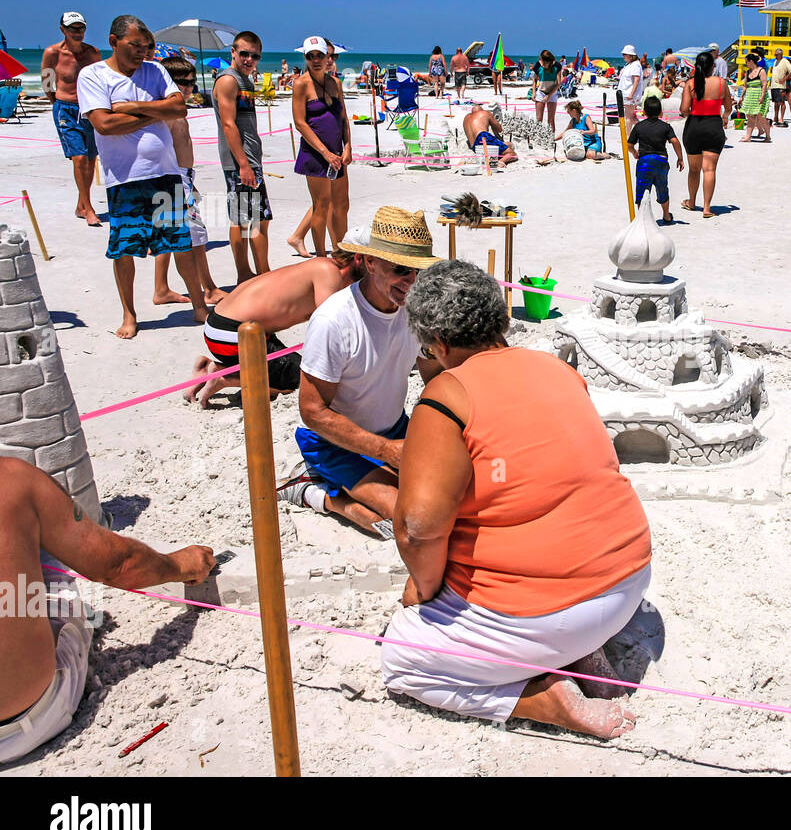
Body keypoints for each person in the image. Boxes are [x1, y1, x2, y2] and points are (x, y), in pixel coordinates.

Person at [380, 260, 653, 739]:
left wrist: (424, 590)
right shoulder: (556, 369)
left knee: (401, 656)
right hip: (628, 578)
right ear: (499, 321)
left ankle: (541, 698)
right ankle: (575, 649)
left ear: (438, 344)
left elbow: (418, 528)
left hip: (546, 609)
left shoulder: (446, 396)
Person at [0, 458, 215, 765]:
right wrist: (180, 565)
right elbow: (117, 565)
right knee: (54, 565)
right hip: (26, 721)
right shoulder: (12, 478)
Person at [283, 208, 441, 537]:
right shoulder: (334, 321)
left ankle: (346, 488)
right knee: (412, 519)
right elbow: (312, 412)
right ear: (369, 262)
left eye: (417, 272)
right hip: (334, 442)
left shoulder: (415, 309)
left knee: (450, 499)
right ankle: (319, 493)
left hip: (396, 430)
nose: (411, 282)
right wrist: (385, 452)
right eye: (400, 269)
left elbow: (435, 378)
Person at [77, 15, 207, 339]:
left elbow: (179, 108)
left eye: (145, 46)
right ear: (113, 41)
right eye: (134, 45)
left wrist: (133, 108)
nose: (141, 52)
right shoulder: (93, 75)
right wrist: (154, 113)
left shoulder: (155, 69)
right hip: (124, 178)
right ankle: (129, 314)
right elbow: (103, 125)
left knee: (180, 242)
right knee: (124, 248)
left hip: (165, 173)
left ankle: (200, 306)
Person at [184, 250, 365, 407]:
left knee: (297, 367)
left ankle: (212, 367)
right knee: (302, 381)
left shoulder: (320, 265)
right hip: (234, 335)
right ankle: (225, 378)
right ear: (358, 258)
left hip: (221, 328)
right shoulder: (329, 273)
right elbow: (332, 326)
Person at [156, 55, 225, 308]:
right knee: (196, 237)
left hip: (183, 178)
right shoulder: (168, 114)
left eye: (192, 83)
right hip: (174, 181)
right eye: (182, 83)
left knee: (170, 238)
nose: (189, 88)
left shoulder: (176, 112)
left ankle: (161, 288)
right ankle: (208, 288)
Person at [213, 30, 271, 284]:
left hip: (248, 159)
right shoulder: (229, 80)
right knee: (251, 220)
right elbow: (228, 124)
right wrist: (244, 165)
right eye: (244, 53)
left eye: (254, 56)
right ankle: (259, 275)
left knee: (250, 219)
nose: (249, 59)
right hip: (241, 161)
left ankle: (250, 273)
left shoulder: (244, 80)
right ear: (233, 52)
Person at [289, 36, 351, 259]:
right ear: (305, 58)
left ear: (328, 57)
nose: (315, 60)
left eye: (320, 55)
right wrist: (325, 153)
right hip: (315, 154)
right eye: (310, 56)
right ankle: (322, 256)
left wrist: (348, 146)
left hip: (337, 153)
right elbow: (300, 122)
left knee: (342, 204)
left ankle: (342, 251)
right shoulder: (301, 84)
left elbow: (343, 117)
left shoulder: (335, 83)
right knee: (321, 205)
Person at [41, 12, 101, 225]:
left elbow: (99, 80)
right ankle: (89, 208)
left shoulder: (92, 53)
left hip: (89, 109)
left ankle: (80, 204)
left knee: (91, 158)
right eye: (73, 29)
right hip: (65, 108)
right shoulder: (52, 53)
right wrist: (56, 102)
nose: (78, 33)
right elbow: (47, 82)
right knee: (79, 158)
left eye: (81, 28)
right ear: (63, 30)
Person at [679, 50, 732, 219]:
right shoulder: (721, 83)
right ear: (712, 67)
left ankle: (692, 202)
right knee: (709, 169)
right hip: (713, 127)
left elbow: (683, 109)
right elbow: (729, 107)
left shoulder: (690, 83)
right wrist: (724, 118)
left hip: (694, 127)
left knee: (694, 169)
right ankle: (707, 208)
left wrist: (693, 114)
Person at [627, 95, 684, 224]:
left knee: (641, 189)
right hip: (661, 161)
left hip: (644, 161)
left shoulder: (639, 127)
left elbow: (629, 144)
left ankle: (642, 219)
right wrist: (680, 158)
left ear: (644, 112)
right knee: (662, 188)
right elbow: (675, 141)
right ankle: (666, 216)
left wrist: (635, 153)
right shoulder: (665, 127)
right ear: (660, 112)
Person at [463, 101, 518, 166]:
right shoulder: (485, 113)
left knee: (509, 145)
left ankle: (499, 155)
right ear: (481, 110)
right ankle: (500, 162)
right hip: (483, 136)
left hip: (475, 147)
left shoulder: (466, 118)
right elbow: (499, 129)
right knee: (513, 154)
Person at [739, 53, 771, 142]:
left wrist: (762, 96)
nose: (746, 63)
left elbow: (764, 84)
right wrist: (741, 97)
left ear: (751, 61)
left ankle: (768, 137)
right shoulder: (748, 72)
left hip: (759, 95)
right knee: (750, 117)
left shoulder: (761, 71)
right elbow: (745, 86)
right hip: (750, 96)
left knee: (762, 118)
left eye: (746, 61)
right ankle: (748, 137)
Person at [531, 50, 561, 130]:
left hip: (552, 92)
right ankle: (538, 138)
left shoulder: (557, 66)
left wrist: (549, 96)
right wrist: (533, 92)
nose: (543, 65)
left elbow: (558, 83)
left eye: (545, 63)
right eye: (542, 62)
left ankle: (551, 140)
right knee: (539, 119)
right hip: (541, 92)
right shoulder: (538, 65)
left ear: (550, 62)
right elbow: (534, 80)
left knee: (551, 120)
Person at [618, 44, 644, 126]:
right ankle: (640, 133)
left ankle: (628, 137)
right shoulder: (629, 64)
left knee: (629, 118)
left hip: (630, 96)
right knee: (630, 117)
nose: (623, 56)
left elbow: (636, 80)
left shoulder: (635, 65)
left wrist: (631, 94)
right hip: (627, 94)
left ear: (630, 55)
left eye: (624, 54)